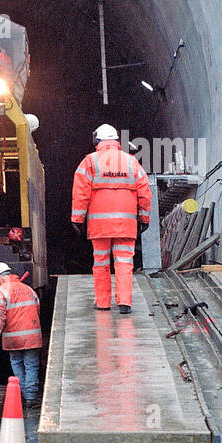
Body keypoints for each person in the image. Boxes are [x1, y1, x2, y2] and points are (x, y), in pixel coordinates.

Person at [71, 122, 152, 313]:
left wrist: (77, 219)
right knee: (124, 262)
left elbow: (81, 191)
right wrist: (144, 218)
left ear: (96, 140)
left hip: (99, 225)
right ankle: (124, 303)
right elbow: (145, 192)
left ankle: (103, 302)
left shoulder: (90, 161)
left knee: (100, 263)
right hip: (125, 224)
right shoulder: (132, 161)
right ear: (116, 140)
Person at [0, 261, 43, 407]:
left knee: (17, 363)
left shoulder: (0, 292)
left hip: (13, 338)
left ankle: (23, 394)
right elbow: (37, 310)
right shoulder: (28, 289)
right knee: (31, 365)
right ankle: (31, 398)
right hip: (32, 336)